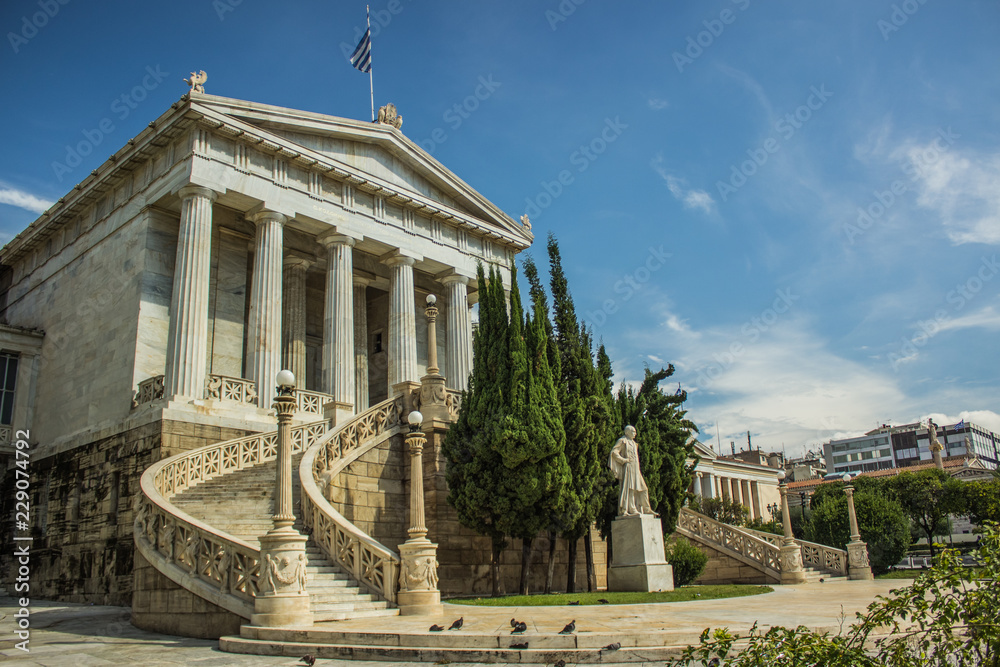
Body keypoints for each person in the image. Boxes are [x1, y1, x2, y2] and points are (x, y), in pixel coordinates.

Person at [609, 425, 656, 517]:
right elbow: (614, 452)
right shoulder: (622, 441)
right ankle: (631, 508)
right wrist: (623, 460)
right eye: (633, 431)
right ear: (627, 432)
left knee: (644, 488)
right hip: (628, 467)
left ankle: (646, 509)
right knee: (631, 489)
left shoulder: (634, 443)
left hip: (636, 468)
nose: (635, 433)